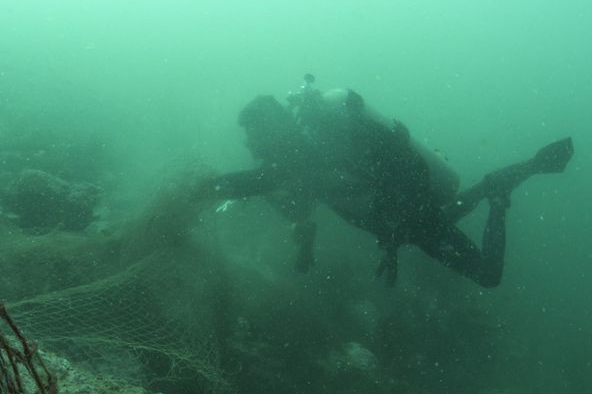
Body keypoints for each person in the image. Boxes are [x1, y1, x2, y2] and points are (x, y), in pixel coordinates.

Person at [208, 76, 574, 287]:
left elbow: (405, 165)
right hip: (411, 221)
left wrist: (202, 187)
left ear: (273, 127)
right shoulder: (301, 157)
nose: (249, 144)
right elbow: (294, 205)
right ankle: (495, 186)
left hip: (414, 220)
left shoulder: (318, 145)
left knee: (488, 275)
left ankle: (496, 195)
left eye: (253, 134)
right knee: (452, 220)